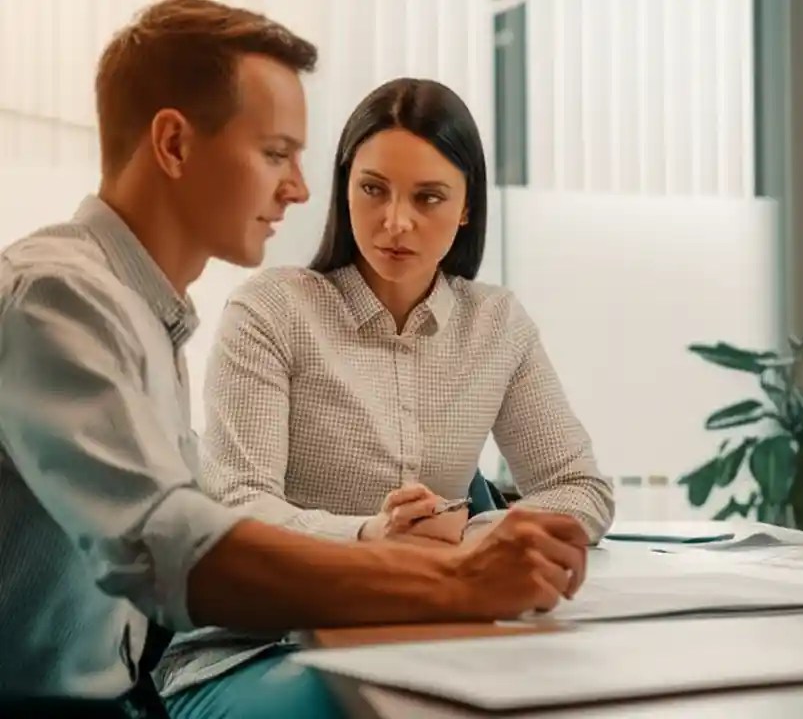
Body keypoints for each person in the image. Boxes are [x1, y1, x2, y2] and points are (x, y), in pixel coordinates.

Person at [0, 1, 589, 717]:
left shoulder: (145, 313)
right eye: (276, 153)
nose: (301, 188)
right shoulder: (59, 297)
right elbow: (179, 549)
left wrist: (472, 545)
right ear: (175, 145)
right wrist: (451, 575)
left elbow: (575, 484)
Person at [154, 75, 615, 714]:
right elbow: (238, 510)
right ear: (345, 187)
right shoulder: (271, 311)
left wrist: (480, 539)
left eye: (429, 197)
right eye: (373, 189)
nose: (396, 222)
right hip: (257, 646)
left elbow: (579, 487)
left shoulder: (497, 325)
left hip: (426, 633)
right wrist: (371, 537)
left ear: (467, 208)